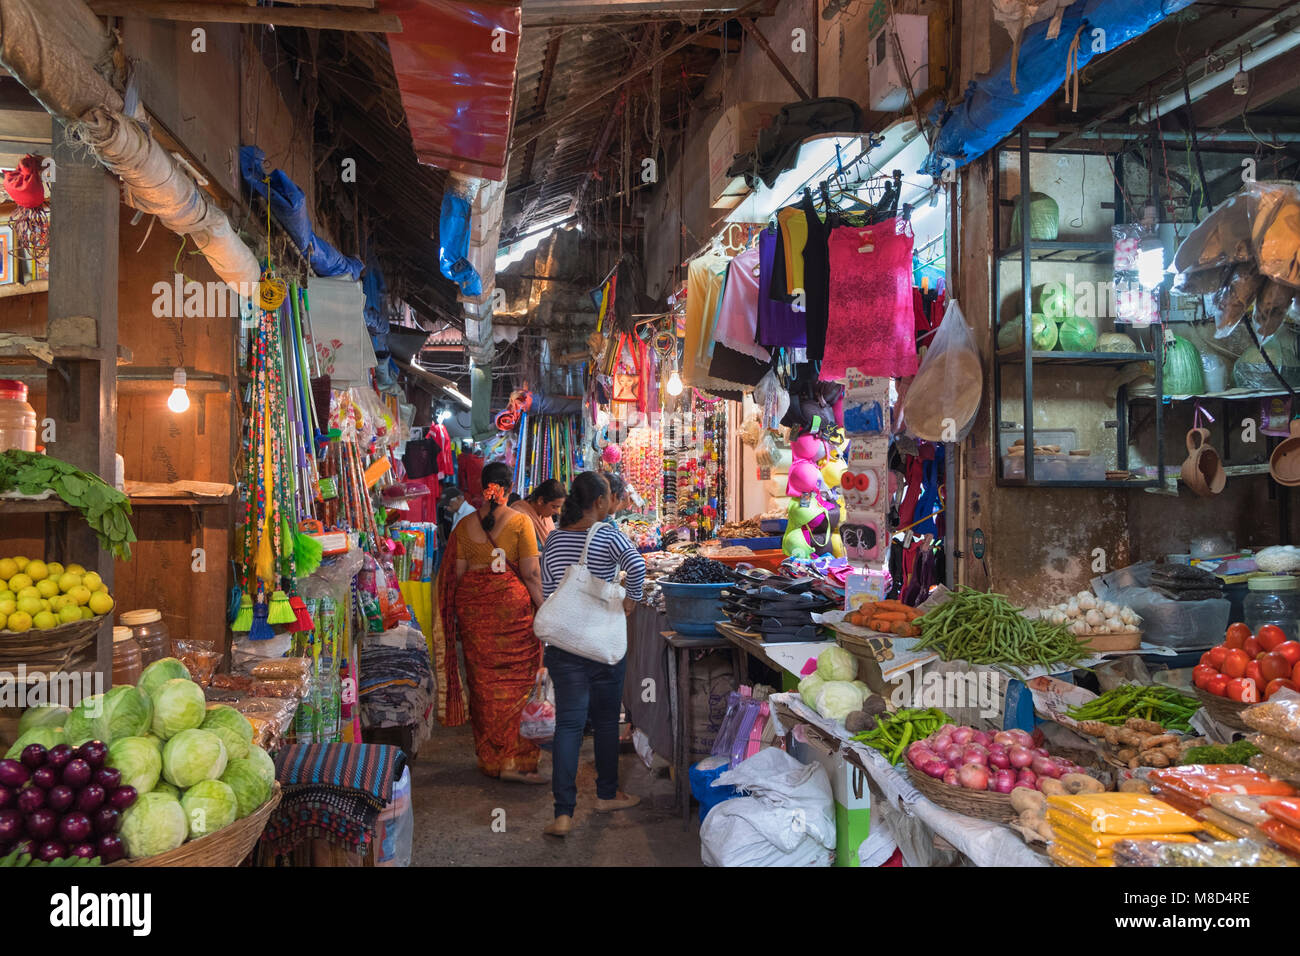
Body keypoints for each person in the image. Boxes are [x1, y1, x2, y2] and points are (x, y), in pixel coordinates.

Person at [538, 471, 647, 837]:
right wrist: (632, 600)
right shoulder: (609, 533)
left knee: (568, 725)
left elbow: (551, 588)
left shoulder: (553, 540)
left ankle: (563, 813)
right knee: (604, 723)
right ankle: (605, 794)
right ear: (600, 501)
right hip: (602, 645)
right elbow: (637, 566)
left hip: (565, 646)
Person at [439, 461, 548, 783]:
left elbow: (456, 576)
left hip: (475, 617)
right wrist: (544, 607)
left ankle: (493, 759)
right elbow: (530, 573)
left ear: (483, 486)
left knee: (484, 687)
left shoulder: (464, 526)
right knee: (518, 685)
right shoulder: (520, 522)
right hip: (513, 613)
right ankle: (516, 760)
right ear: (509, 485)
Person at [511, 478, 565, 546]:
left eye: (558, 507)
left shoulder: (545, 517)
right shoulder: (519, 515)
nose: (557, 512)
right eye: (554, 507)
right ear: (541, 501)